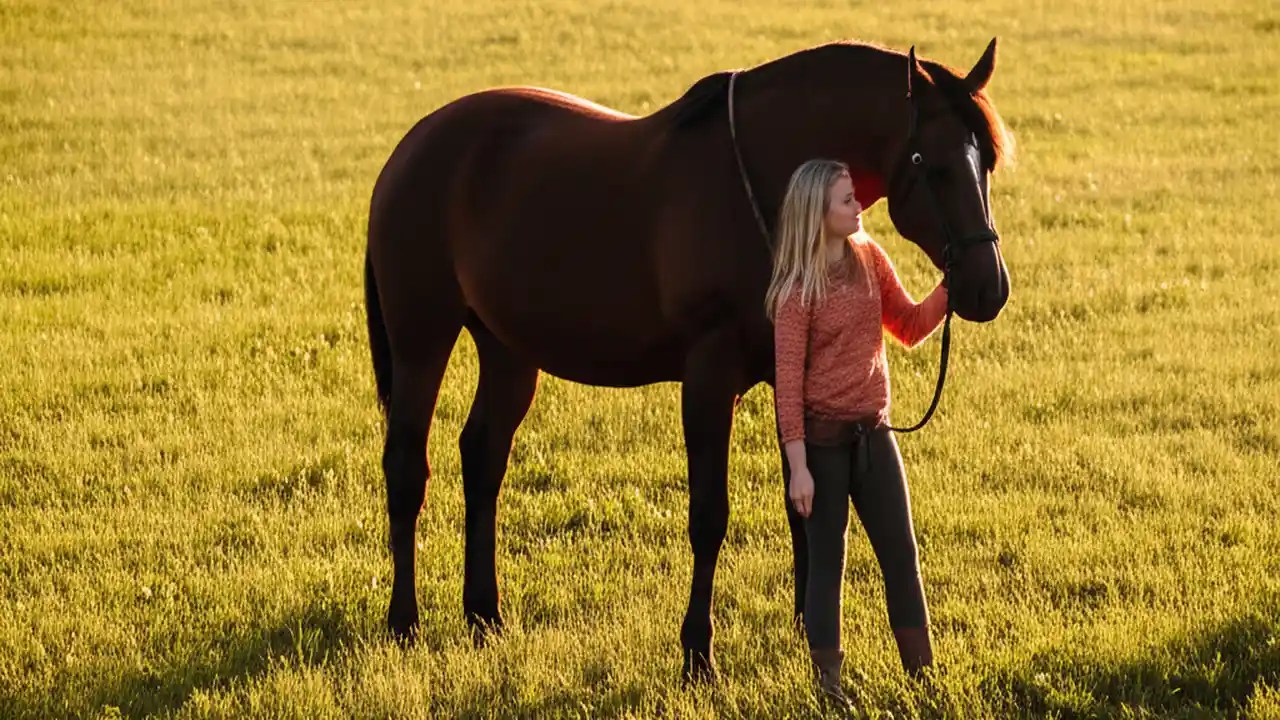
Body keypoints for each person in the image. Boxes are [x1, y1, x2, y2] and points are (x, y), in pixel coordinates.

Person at [767, 158, 948, 707]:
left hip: (875, 437)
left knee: (901, 556)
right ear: (816, 213)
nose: (858, 206)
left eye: (855, 197)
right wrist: (797, 466)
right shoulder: (797, 291)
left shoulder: (871, 258)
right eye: (847, 199)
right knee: (826, 564)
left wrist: (951, 287)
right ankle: (829, 689)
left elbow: (910, 326)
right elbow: (787, 387)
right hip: (822, 446)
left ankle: (924, 681)